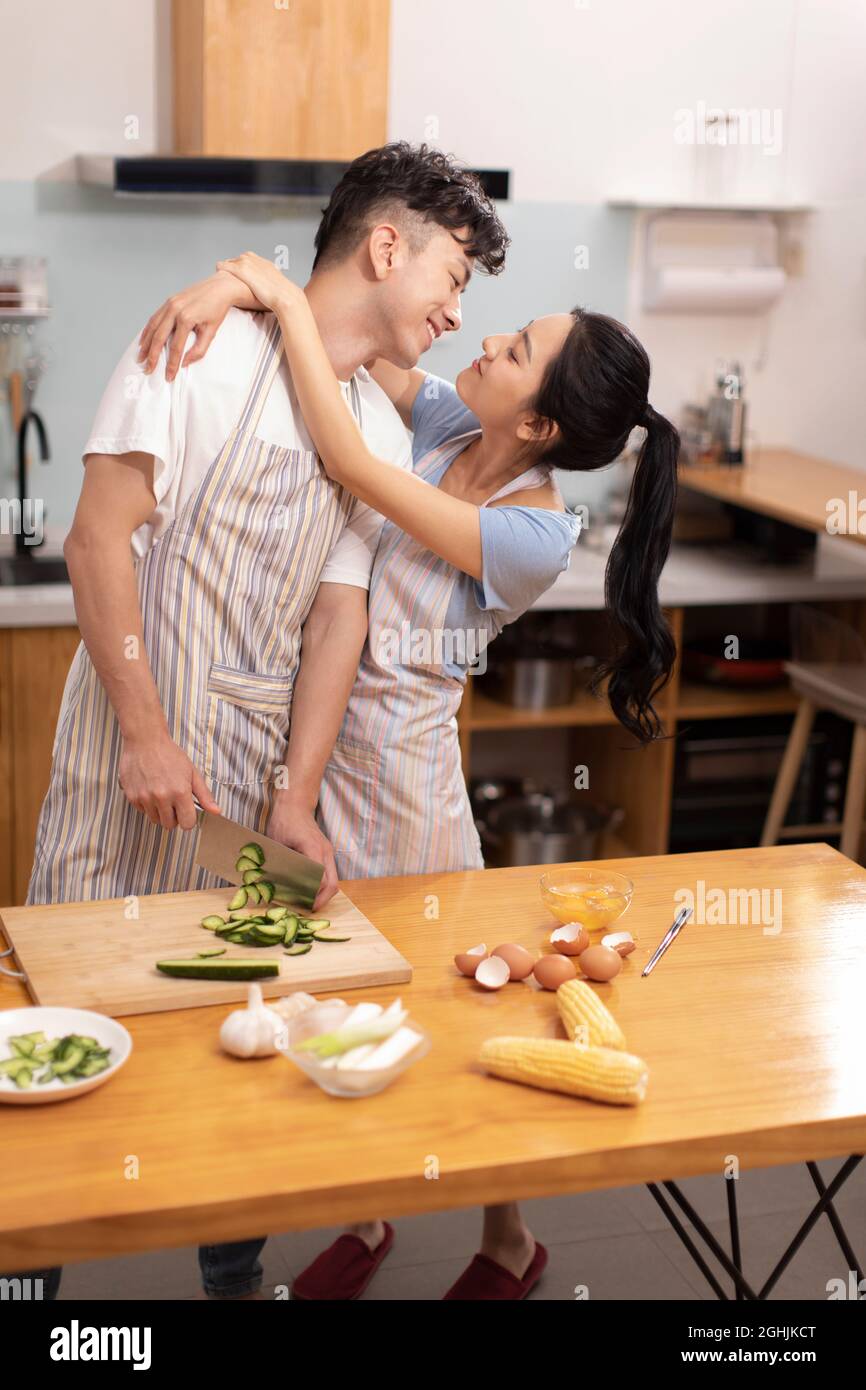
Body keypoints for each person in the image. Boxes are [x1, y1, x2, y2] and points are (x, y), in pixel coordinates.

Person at [135, 248, 680, 1299]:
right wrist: (244, 286)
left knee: (454, 1029)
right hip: (306, 766)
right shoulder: (445, 422)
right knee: (321, 1001)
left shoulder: (531, 534)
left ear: (540, 427)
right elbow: (358, 341)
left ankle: (508, 1244)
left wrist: (275, 293)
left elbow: (347, 457)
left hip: (410, 797)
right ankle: (372, 1212)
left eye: (514, 350)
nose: (485, 340)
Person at [15, 142, 509, 1302]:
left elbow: (335, 619)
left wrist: (294, 792)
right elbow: (98, 541)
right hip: (121, 753)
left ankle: (229, 1287)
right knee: (59, 1036)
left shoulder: (374, 434)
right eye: (451, 275)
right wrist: (140, 729)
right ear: (385, 245)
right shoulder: (196, 350)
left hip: (243, 768)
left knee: (233, 1043)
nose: (452, 308)